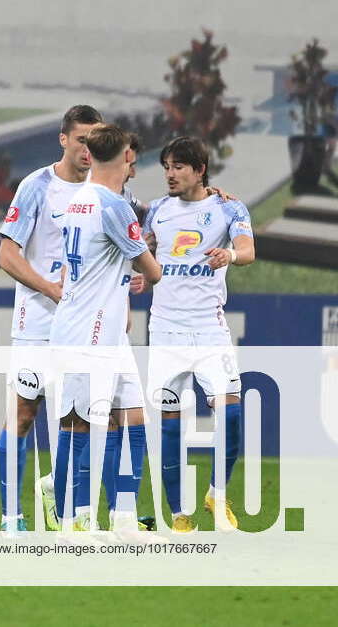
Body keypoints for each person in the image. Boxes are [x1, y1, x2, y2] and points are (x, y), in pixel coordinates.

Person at [132, 136, 255, 532]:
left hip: (208, 329)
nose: (170, 173)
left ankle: (217, 496)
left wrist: (230, 255)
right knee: (169, 423)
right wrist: (142, 276)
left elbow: (248, 250)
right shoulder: (158, 212)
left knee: (232, 413)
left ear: (200, 170)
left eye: (179, 166)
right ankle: (180, 515)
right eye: (166, 165)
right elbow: (144, 250)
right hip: (165, 329)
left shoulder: (227, 206)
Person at [50, 124, 164, 543]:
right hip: (89, 330)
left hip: (101, 327)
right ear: (125, 157)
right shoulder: (114, 207)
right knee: (81, 423)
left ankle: (123, 518)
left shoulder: (79, 198)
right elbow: (152, 271)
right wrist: (149, 265)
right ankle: (75, 519)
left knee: (132, 414)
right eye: (133, 156)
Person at [0, 104, 103, 533]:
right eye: (81, 140)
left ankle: (63, 500)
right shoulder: (36, 187)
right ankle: (10, 516)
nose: (87, 150)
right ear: (63, 140)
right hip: (37, 324)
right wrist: (51, 289)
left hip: (83, 329)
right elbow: (7, 254)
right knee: (22, 415)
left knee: (77, 420)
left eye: (95, 142)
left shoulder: (103, 192)